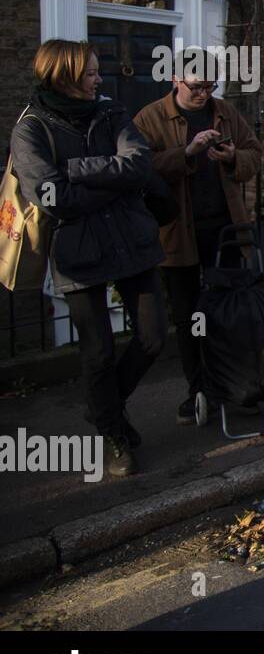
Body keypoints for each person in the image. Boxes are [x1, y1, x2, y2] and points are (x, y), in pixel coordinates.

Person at [10, 41, 166, 477]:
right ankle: (115, 433)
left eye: (98, 72)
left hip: (131, 241)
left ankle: (102, 409)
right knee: (96, 352)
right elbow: (51, 196)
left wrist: (77, 170)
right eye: (91, 73)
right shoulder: (31, 129)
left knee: (153, 336)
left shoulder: (111, 112)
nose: (100, 78)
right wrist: (107, 178)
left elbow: (138, 165)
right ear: (64, 75)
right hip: (77, 253)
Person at [133, 72, 264, 424]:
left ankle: (236, 386)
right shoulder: (149, 117)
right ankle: (198, 391)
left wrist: (234, 157)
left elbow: (256, 154)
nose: (204, 94)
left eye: (210, 87)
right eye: (197, 87)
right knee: (190, 316)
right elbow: (139, 169)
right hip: (178, 233)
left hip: (225, 229)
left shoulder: (226, 112)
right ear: (176, 80)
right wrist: (187, 153)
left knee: (229, 312)